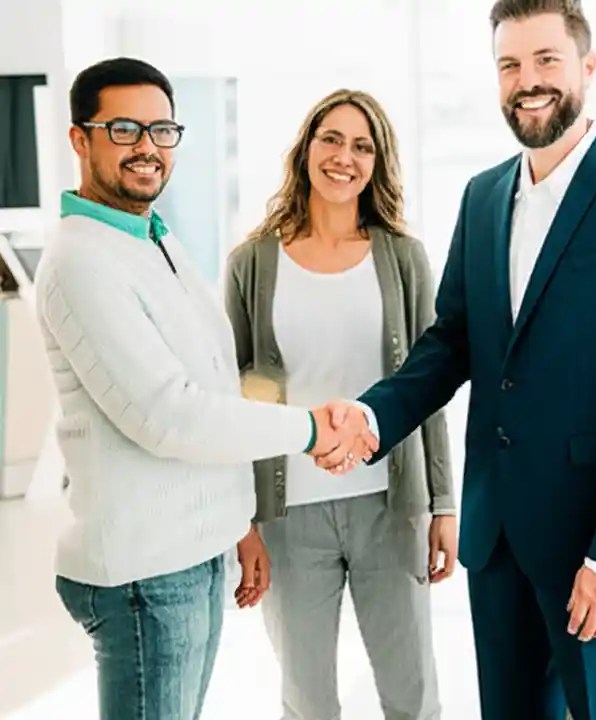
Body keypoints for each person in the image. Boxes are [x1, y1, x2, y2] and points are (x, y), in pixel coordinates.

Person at [317, 1, 596, 717]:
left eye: (546, 60)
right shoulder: (484, 196)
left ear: (588, 67)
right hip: (497, 543)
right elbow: (452, 342)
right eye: (510, 65)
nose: (528, 81)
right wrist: (373, 419)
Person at [33, 57, 374, 720]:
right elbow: (170, 415)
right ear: (80, 139)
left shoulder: (151, 239)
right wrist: (311, 428)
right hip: (144, 573)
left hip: (189, 557)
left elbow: (215, 384)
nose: (147, 147)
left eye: (162, 131)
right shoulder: (81, 261)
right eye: (125, 129)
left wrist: (237, 522)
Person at [223, 88, 457, 720]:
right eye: (331, 139)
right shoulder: (251, 263)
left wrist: (442, 504)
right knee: (308, 703)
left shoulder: (402, 257)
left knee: (413, 697)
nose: (343, 157)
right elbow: (234, 403)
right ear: (306, 148)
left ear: (378, 163)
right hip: (288, 517)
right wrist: (243, 522)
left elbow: (429, 388)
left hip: (390, 507)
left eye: (362, 146)